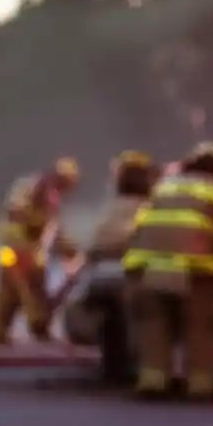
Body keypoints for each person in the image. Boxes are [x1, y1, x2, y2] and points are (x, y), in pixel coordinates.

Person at [122, 142, 213, 399]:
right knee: (200, 325)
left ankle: (153, 380)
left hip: (147, 265)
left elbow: (138, 227)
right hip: (195, 268)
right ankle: (200, 385)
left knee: (154, 324)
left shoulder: (164, 186)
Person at [69, 150, 158, 381]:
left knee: (113, 319)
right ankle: (140, 365)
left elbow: (95, 245)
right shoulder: (149, 207)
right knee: (144, 316)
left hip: (101, 276)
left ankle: (114, 364)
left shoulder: (112, 209)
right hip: (132, 275)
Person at [0, 157, 83, 344]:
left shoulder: (35, 187)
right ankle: (40, 328)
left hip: (9, 247)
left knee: (8, 290)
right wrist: (71, 251)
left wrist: (68, 249)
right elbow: (47, 227)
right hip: (23, 249)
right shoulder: (45, 192)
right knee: (34, 287)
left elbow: (50, 229)